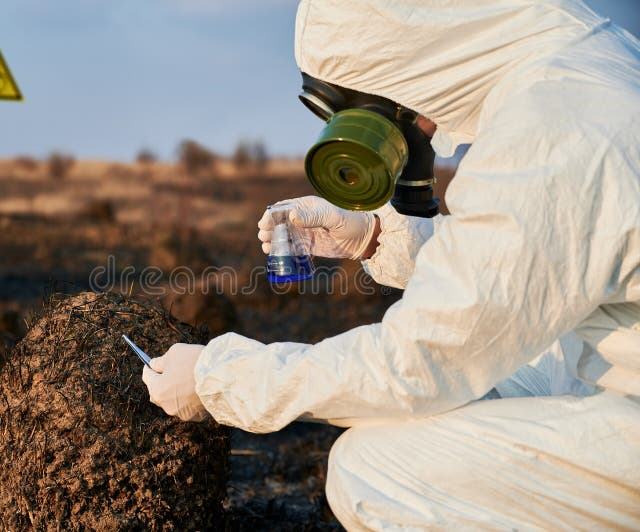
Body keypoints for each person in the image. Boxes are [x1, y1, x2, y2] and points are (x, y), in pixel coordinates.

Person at [143, 0, 640, 528]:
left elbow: (416, 365)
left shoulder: (551, 133)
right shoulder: (576, 66)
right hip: (616, 367)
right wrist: (378, 236)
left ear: (404, 61)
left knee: (376, 470)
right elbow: (526, 264)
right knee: (511, 361)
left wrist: (219, 379)